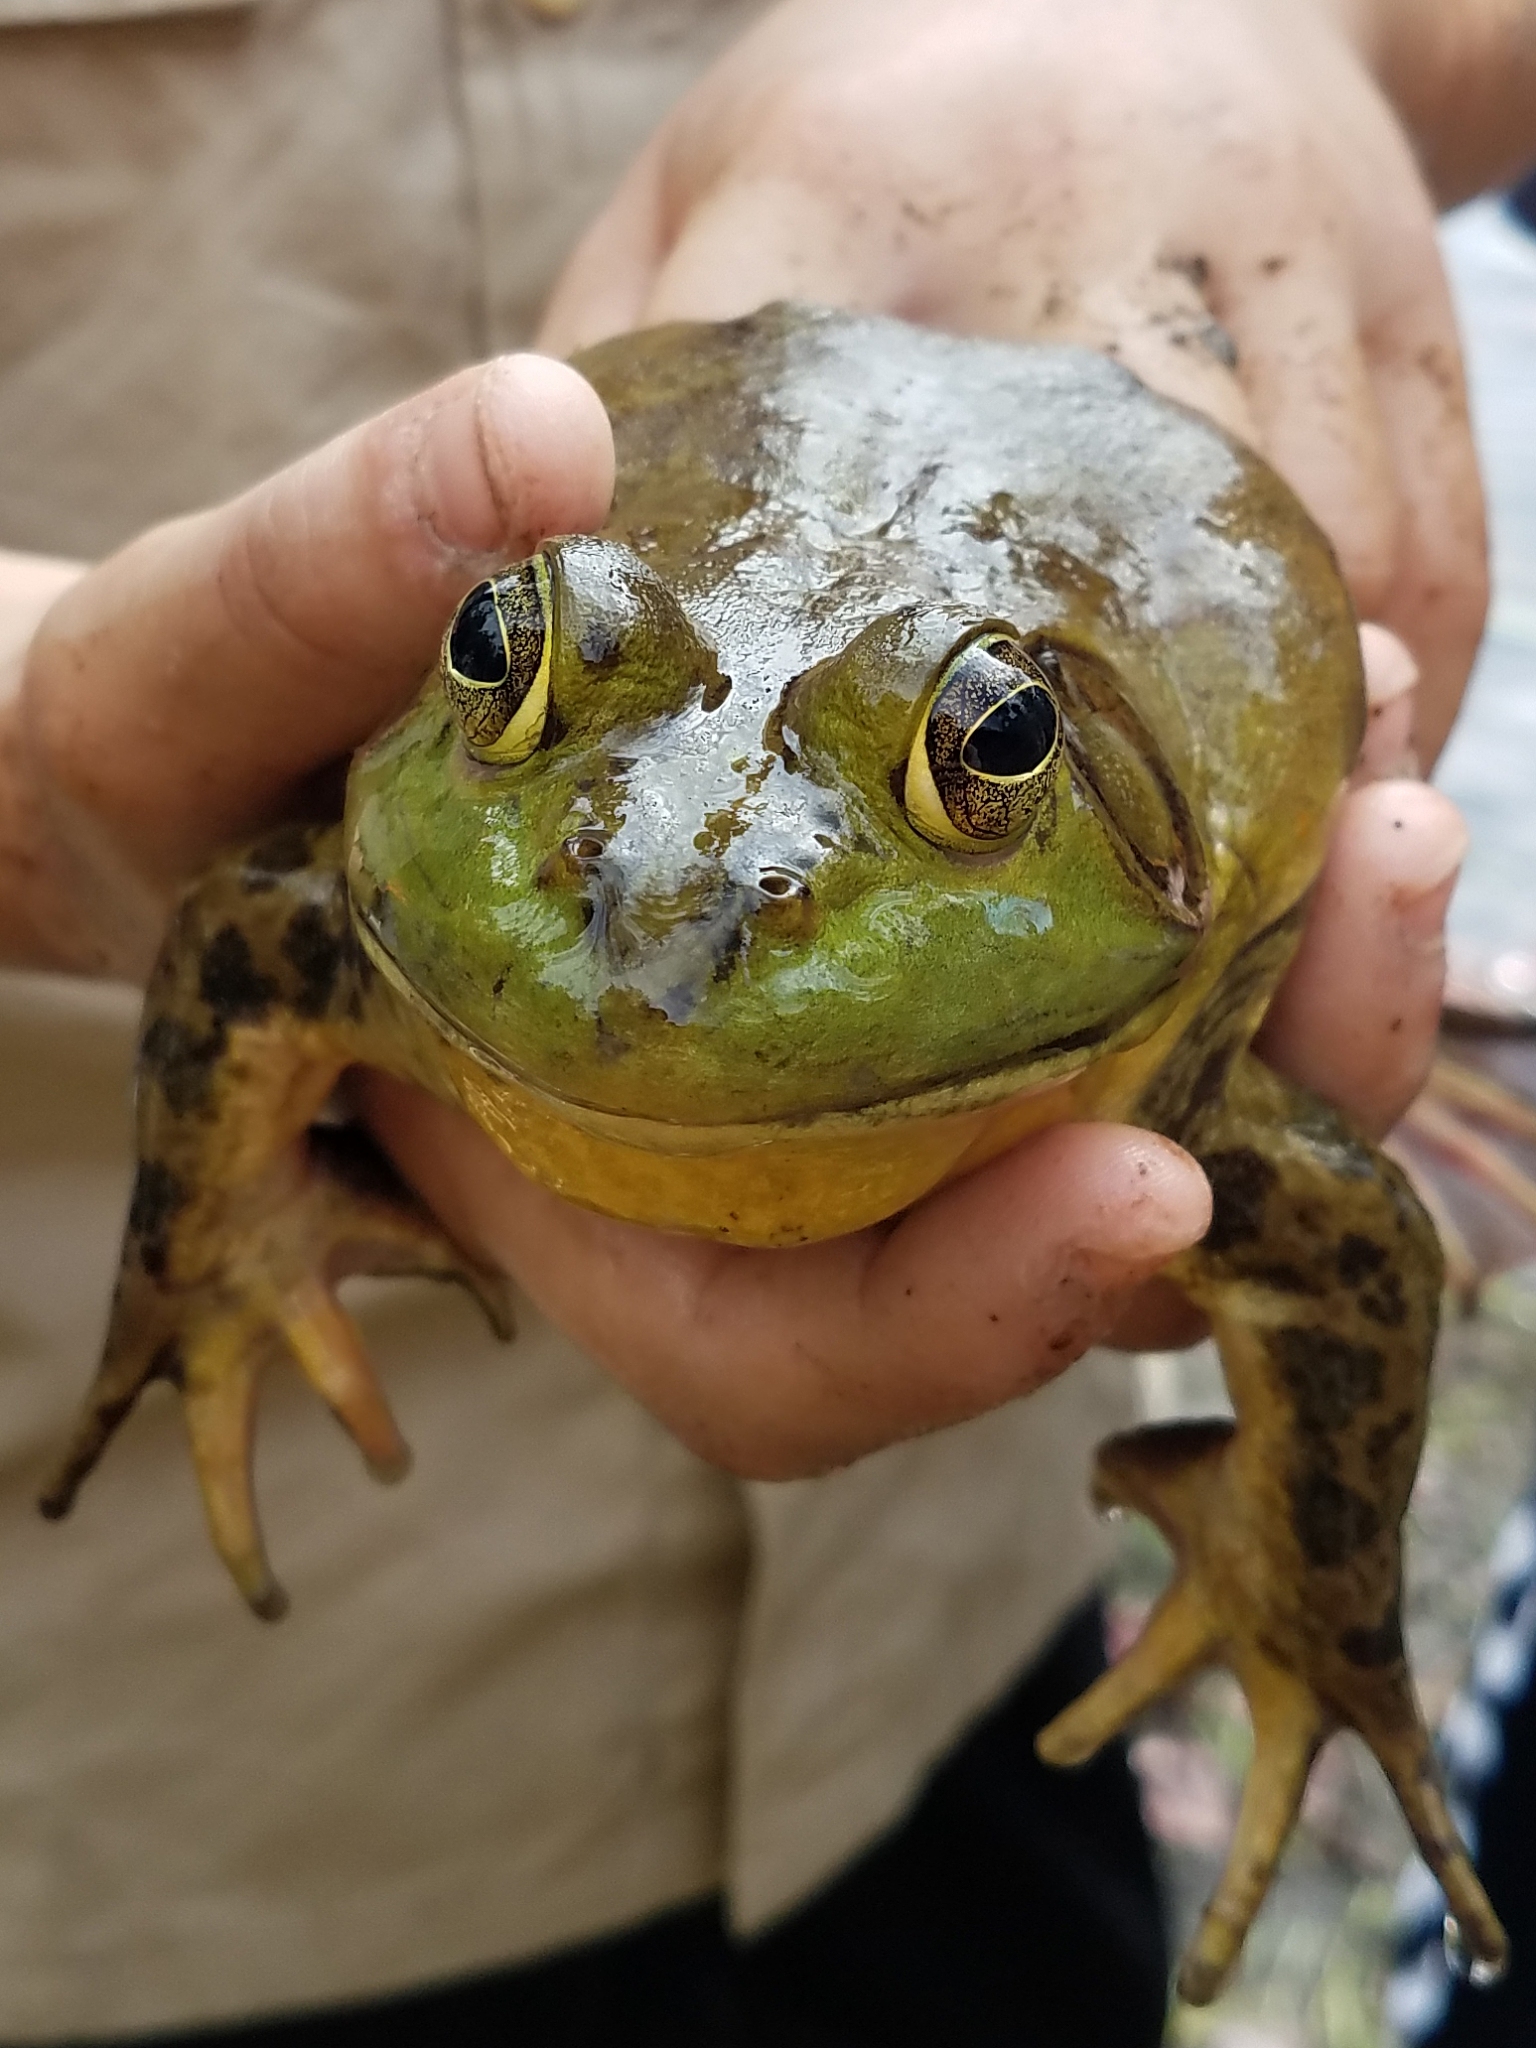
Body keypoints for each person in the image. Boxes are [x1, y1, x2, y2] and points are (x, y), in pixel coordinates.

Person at [0, 2, 1532, 2042]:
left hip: (944, 1637)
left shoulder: (1170, 1048)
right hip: (231, 1787)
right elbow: (262, 915)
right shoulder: (333, 925)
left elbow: (1342, 1245)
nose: (683, 904)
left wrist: (1308, 33)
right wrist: (202, 1191)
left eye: (978, 747)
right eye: (508, 660)